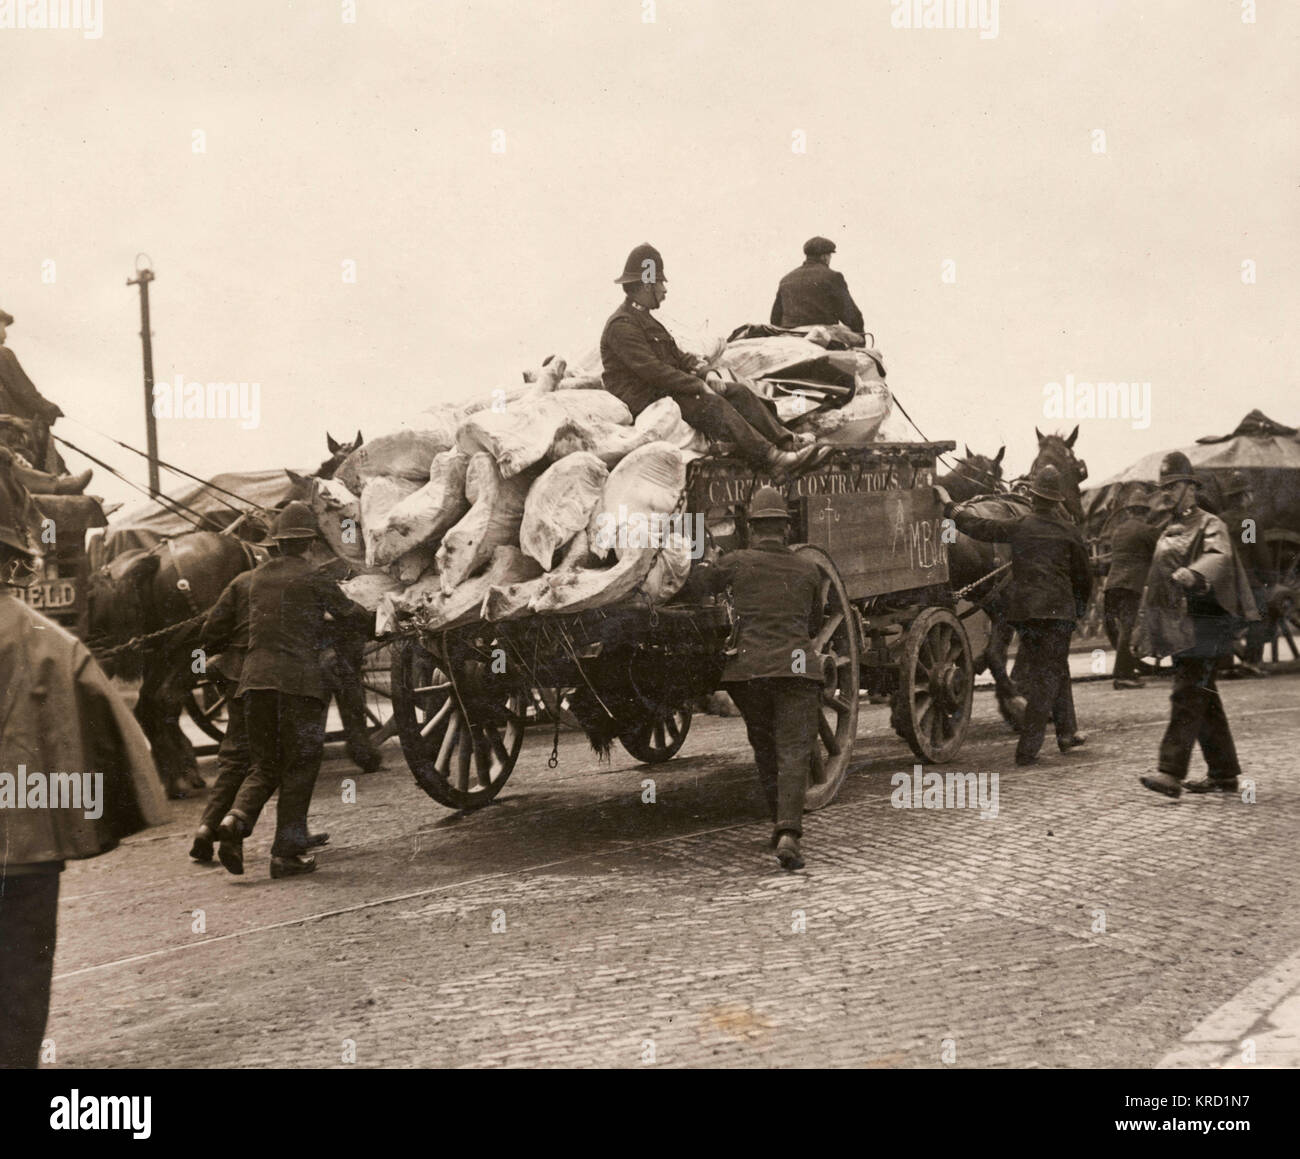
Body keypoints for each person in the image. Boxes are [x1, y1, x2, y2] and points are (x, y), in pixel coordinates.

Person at [0, 472, 166, 1068]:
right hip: (26, 852)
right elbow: (109, 743)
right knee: (18, 986)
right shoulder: (51, 643)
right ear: (14, 559)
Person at [214, 501, 371, 879]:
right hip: (298, 684)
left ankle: (235, 821)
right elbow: (348, 614)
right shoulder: (314, 576)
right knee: (301, 763)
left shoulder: (257, 578)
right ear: (310, 543)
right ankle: (285, 854)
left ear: (278, 543)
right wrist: (379, 619)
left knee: (265, 764)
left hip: (254, 684)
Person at [600, 244, 827, 477]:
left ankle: (787, 441)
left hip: (666, 391)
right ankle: (773, 458)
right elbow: (653, 371)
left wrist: (706, 372)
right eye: (660, 282)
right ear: (647, 285)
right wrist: (698, 385)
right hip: (646, 398)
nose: (664, 290)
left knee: (738, 392)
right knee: (712, 404)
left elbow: (678, 357)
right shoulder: (622, 326)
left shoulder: (645, 320)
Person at [700, 486, 823, 871]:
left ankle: (779, 824)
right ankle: (788, 832)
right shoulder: (809, 568)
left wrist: (710, 562)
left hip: (749, 673)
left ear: (753, 529)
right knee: (793, 750)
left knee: (765, 746)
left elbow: (697, 585)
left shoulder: (736, 563)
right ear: (785, 529)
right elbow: (815, 622)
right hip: (797, 669)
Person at [947, 464, 1092, 766]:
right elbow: (1084, 577)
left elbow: (981, 528)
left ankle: (1068, 732)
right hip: (1058, 614)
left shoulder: (1021, 526)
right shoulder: (1070, 532)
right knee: (1046, 676)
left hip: (1025, 614)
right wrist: (1078, 609)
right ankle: (1028, 748)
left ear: (1035, 498)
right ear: (1058, 501)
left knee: (1054, 667)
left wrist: (951, 509)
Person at [1138, 453, 1259, 799]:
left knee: (1188, 692)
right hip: (1182, 623)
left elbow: (1219, 556)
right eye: (1163, 487)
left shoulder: (1211, 524)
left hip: (1208, 620)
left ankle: (1170, 771)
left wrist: (1195, 574)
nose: (1166, 493)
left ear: (1190, 487)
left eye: (1173, 486)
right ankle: (1223, 773)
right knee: (1203, 695)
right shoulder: (1170, 527)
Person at [1104, 484, 1162, 689]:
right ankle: (1122, 675)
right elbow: (1160, 553)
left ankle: (1126, 671)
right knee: (1127, 630)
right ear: (1146, 512)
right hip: (1131, 585)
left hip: (1112, 584)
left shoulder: (1118, 531)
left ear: (1128, 511)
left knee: (1123, 630)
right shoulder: (1148, 530)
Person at [1218, 470, 1269, 676]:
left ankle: (1223, 665)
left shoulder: (1220, 520)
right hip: (1247, 578)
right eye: (1249, 493)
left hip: (1224, 578)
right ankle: (1251, 662)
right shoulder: (1248, 521)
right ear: (1243, 496)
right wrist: (1268, 578)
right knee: (1257, 617)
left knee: (1225, 619)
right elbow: (1256, 550)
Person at [770, 237, 865, 335]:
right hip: (821, 337)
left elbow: (775, 319)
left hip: (790, 336)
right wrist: (860, 336)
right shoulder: (833, 277)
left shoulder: (786, 279)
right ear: (825, 257)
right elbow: (851, 315)